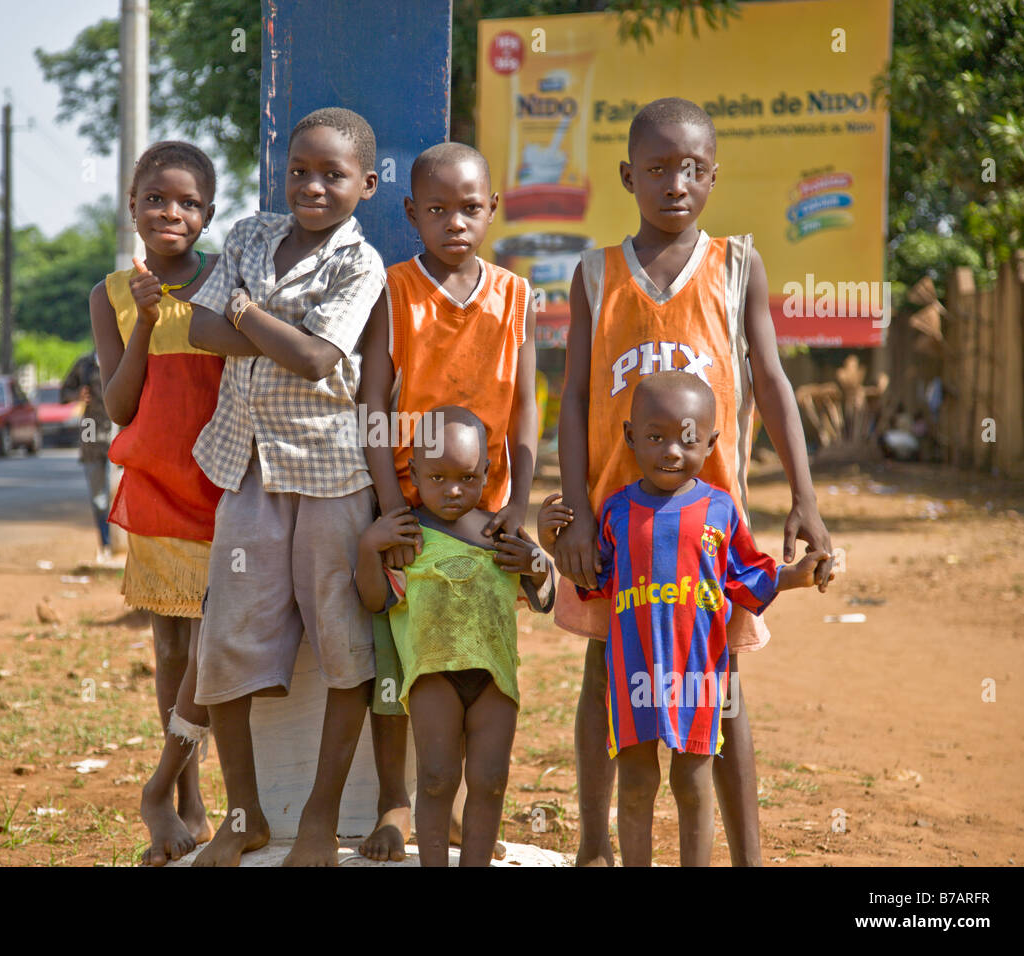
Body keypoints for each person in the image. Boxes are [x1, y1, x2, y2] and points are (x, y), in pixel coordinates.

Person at [553, 97, 835, 866]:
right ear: (627, 175)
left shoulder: (736, 264)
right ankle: (592, 845)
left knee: (724, 681)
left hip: (709, 526)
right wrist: (577, 511)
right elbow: (574, 399)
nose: (675, 182)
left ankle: (745, 855)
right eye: (657, 168)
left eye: (691, 168)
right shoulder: (594, 272)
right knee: (603, 669)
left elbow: (772, 382)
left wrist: (805, 500)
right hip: (618, 526)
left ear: (713, 174)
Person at [185, 107, 385, 867]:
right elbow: (204, 333)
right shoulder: (246, 236)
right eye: (300, 170)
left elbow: (316, 360)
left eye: (332, 175)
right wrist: (269, 326)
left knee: (343, 644)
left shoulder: (360, 264)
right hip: (247, 465)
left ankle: (317, 822)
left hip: (331, 472)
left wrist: (243, 309)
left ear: (365, 184)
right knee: (226, 639)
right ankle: (245, 817)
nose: (312, 186)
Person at [544, 371, 831, 866]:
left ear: (712, 442)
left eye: (687, 439)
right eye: (655, 438)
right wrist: (554, 544)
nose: (671, 451)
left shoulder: (720, 511)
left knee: (692, 783)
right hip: (634, 675)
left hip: (698, 678)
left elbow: (746, 575)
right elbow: (595, 580)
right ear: (630, 437)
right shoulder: (616, 512)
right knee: (636, 783)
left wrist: (797, 576)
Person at [356, 142, 538, 862]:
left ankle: (465, 808)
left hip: (481, 510)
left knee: (475, 650)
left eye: (469, 207)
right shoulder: (394, 291)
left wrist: (519, 502)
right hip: (412, 507)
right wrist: (385, 503)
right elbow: (372, 401)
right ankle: (399, 801)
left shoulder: (516, 296)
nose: (454, 222)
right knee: (399, 662)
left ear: (492, 208)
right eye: (436, 209)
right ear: (411, 214)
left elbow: (526, 407)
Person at [87, 141, 224, 865]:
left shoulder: (227, 281)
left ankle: (163, 787)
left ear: (208, 215)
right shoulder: (111, 292)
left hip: (222, 489)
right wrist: (144, 319)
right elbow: (118, 405)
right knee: (171, 646)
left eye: (189, 202)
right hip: (156, 489)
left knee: (211, 648)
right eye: (156, 199)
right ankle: (189, 802)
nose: (171, 212)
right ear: (133, 205)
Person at [355, 407, 553, 866]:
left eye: (466, 478)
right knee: (438, 779)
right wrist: (369, 546)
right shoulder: (408, 535)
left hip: (496, 682)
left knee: (490, 780)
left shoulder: (499, 534)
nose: (453, 490)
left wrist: (537, 562)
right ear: (414, 473)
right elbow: (374, 600)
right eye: (438, 478)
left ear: (486, 473)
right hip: (433, 678)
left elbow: (544, 598)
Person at [59, 349, 117, 566]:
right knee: (98, 499)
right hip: (91, 438)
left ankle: (121, 546)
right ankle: (105, 545)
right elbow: (63, 394)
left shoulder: (122, 356)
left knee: (116, 496)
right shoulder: (84, 365)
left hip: (116, 435)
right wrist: (76, 396)